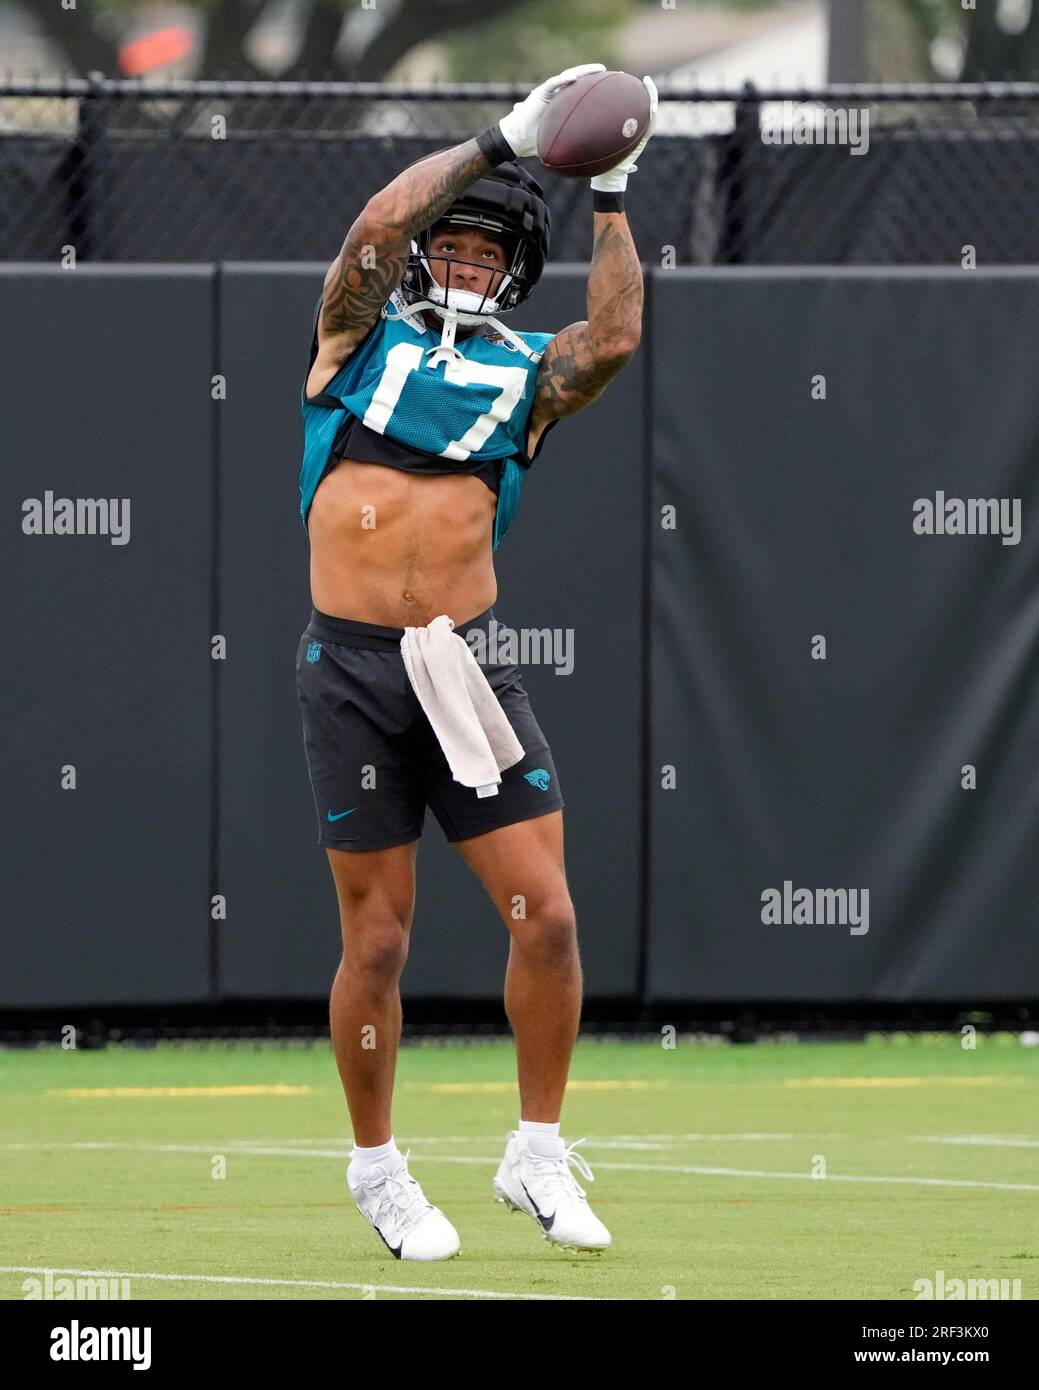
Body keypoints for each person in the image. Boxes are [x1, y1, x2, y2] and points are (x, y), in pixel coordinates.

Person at [296, 64, 656, 1260]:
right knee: (380, 940)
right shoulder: (351, 343)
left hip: (461, 667)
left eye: (480, 252)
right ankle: (376, 1170)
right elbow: (370, 229)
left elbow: (615, 335)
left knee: (545, 916)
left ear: (512, 273)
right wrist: (503, 141)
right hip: (350, 669)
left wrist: (607, 187)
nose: (454, 263)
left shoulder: (522, 381)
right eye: (444, 248)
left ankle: (536, 1153)